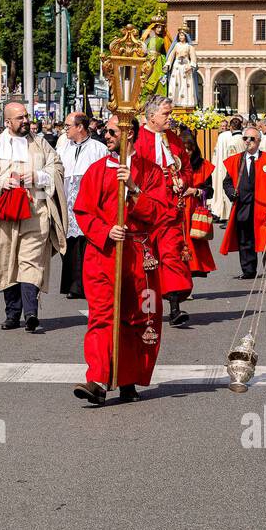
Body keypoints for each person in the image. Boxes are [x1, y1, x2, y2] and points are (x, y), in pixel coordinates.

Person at [72, 115, 171, 405]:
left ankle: (129, 378)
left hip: (140, 257)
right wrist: (105, 230)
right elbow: (84, 211)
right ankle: (98, 379)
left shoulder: (150, 172)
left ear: (131, 134)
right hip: (103, 255)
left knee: (139, 318)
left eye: (114, 131)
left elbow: (160, 213)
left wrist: (135, 189)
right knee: (102, 316)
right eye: (107, 131)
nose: (107, 135)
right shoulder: (97, 170)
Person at [0, 100, 67, 332]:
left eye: (26, 116)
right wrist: (2, 181)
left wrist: (38, 176)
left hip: (36, 212)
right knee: (6, 262)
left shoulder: (41, 144)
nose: (26, 121)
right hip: (6, 214)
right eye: (20, 118)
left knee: (31, 262)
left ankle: (31, 313)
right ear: (8, 122)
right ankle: (12, 314)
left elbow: (57, 168)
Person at [132, 95, 195, 326]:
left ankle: (175, 308)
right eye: (166, 114)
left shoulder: (174, 140)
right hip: (147, 210)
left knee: (171, 256)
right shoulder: (138, 141)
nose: (171, 118)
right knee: (148, 260)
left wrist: (184, 182)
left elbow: (187, 168)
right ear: (151, 117)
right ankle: (147, 311)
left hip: (171, 210)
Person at [221, 126, 266, 279]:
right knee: (245, 239)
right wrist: (231, 193)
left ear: (259, 141)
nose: (248, 141)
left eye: (252, 139)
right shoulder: (236, 160)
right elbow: (227, 183)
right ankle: (248, 270)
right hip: (243, 205)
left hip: (264, 207)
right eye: (245, 138)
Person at [57, 111, 108, 299]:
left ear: (80, 127)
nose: (65, 130)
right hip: (68, 201)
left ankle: (88, 284)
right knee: (69, 245)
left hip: (89, 202)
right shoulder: (63, 149)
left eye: (68, 126)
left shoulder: (98, 148)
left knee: (86, 245)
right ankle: (73, 285)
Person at [181, 130, 216, 277]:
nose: (187, 152)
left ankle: (188, 280)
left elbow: (210, 190)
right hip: (176, 211)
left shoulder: (203, 165)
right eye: (184, 149)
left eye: (190, 148)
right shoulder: (173, 165)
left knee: (193, 247)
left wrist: (195, 191)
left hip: (194, 212)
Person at [211, 116, 244, 226]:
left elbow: (231, 158)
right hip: (244, 169)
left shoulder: (231, 140)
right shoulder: (244, 138)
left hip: (233, 170)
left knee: (231, 194)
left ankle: (231, 218)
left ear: (231, 127)